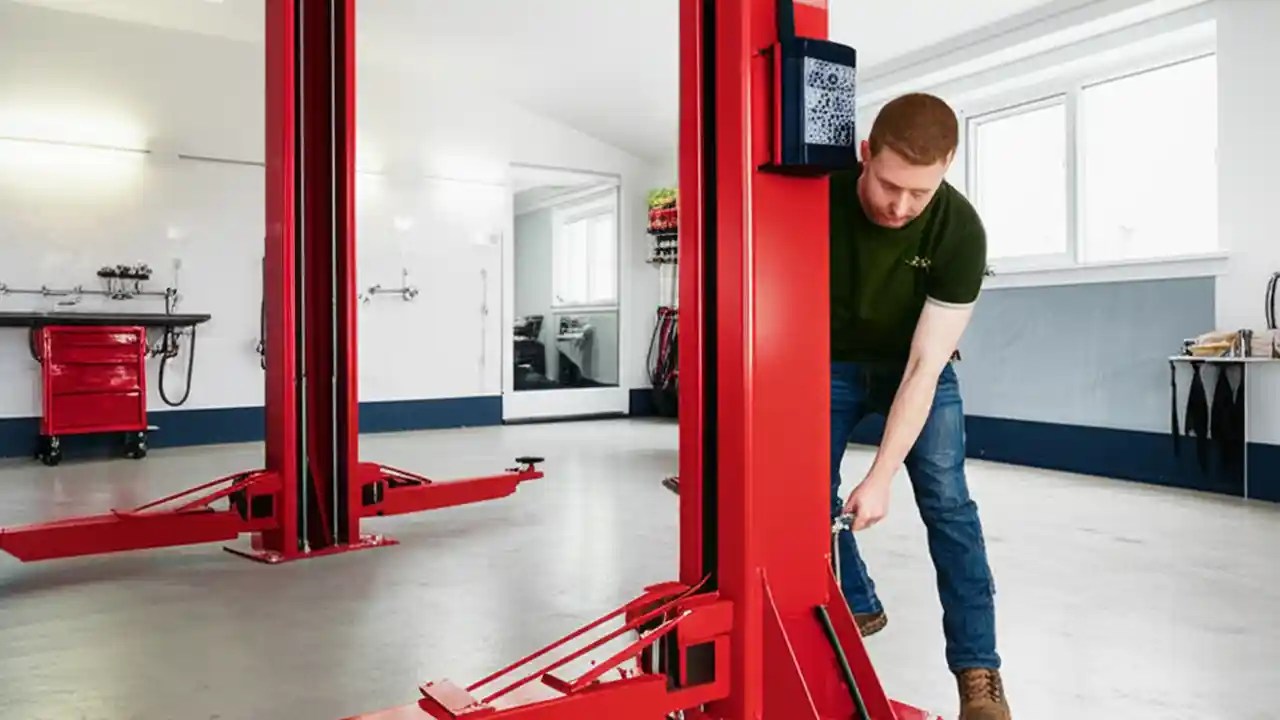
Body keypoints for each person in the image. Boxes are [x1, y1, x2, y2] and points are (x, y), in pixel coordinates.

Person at [829, 92, 1009, 720]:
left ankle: (979, 677)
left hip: (916, 365)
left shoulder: (961, 231)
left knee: (949, 505)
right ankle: (854, 596)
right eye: (888, 185)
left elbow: (925, 366)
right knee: (797, 484)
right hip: (828, 361)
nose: (900, 207)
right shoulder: (815, 196)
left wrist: (879, 478)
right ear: (863, 156)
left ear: (946, 171)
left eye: (920, 193)